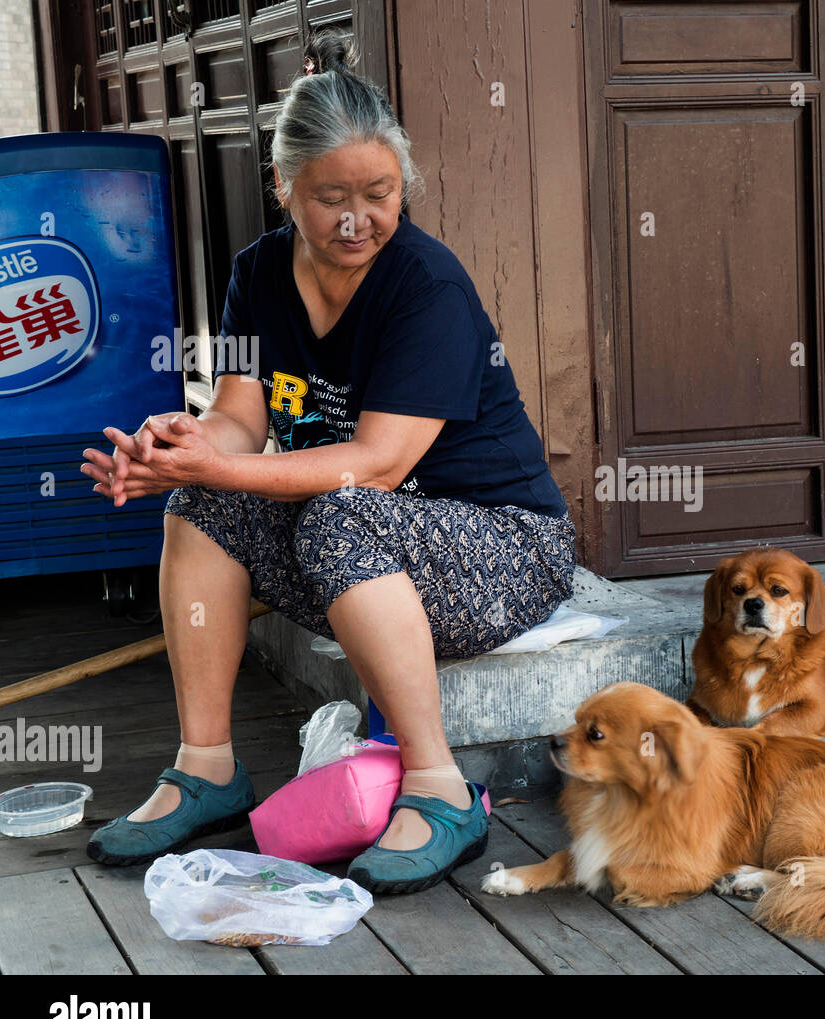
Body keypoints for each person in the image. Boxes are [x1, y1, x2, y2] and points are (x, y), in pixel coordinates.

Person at [78, 30, 576, 894]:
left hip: (503, 550)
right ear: (283, 189)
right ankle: (206, 769)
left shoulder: (429, 288)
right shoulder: (254, 275)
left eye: (380, 193)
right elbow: (239, 415)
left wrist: (220, 467)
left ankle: (441, 789)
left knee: (344, 509)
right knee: (197, 505)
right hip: (356, 549)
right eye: (330, 197)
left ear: (404, 184)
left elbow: (378, 464)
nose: (357, 219)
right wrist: (186, 450)